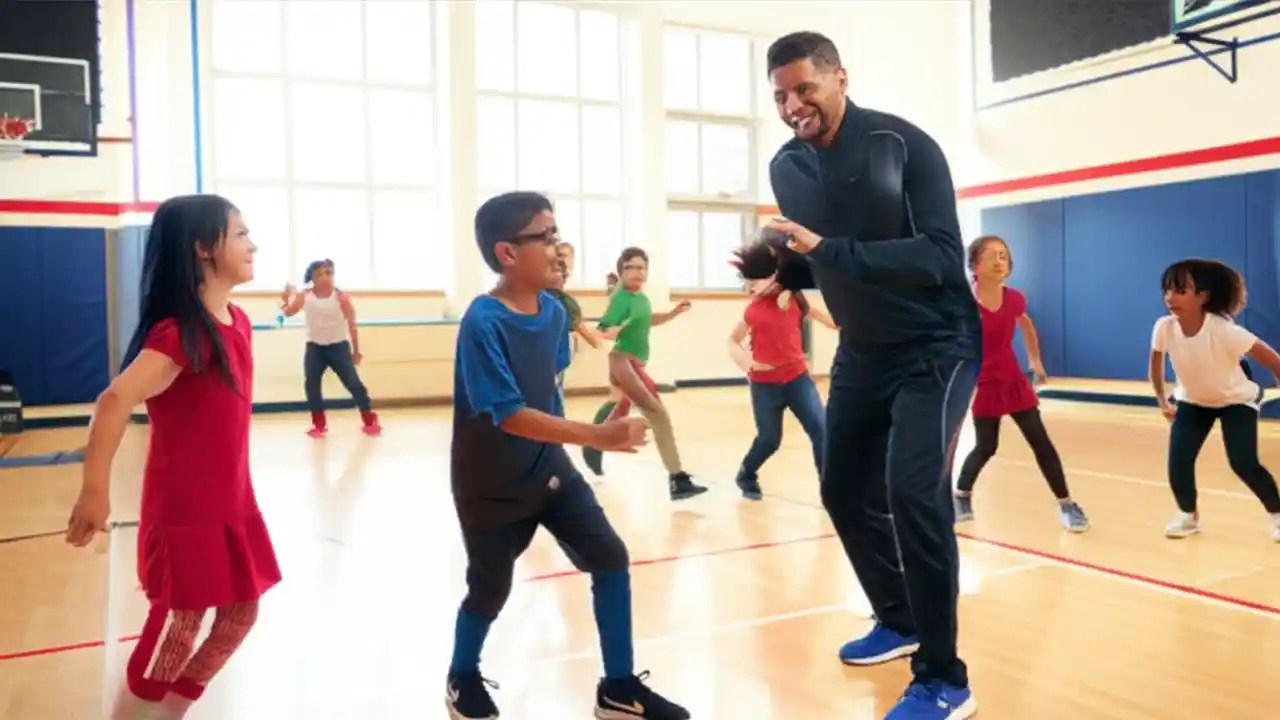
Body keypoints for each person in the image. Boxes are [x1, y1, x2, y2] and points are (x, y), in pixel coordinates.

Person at [763, 31, 981, 720]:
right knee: (844, 490)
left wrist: (824, 249)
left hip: (936, 344)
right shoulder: (786, 167)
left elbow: (943, 257)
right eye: (779, 96)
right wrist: (777, 268)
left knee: (913, 492)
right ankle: (900, 615)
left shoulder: (904, 146)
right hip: (863, 348)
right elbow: (817, 262)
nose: (793, 105)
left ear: (840, 79)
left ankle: (945, 678)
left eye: (805, 89)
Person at [445, 191, 689, 720]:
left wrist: (569, 444)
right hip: (490, 483)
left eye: (557, 235)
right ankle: (461, 675)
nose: (558, 248)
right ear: (508, 253)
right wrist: (597, 436)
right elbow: (508, 412)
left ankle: (618, 688)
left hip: (549, 471)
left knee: (609, 558)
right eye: (546, 236)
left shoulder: (554, 314)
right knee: (489, 588)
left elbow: (547, 391)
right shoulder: (482, 322)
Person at [64, 194, 281, 719]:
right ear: (204, 248)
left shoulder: (238, 322)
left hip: (231, 502)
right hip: (186, 510)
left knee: (238, 615)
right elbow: (114, 399)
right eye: (241, 234)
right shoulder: (181, 334)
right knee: (177, 626)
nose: (253, 244)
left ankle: (170, 712)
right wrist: (95, 492)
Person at [952, 236, 1089, 532]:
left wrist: (1034, 359)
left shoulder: (1014, 299)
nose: (1000, 261)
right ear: (975, 264)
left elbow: (1025, 324)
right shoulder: (963, 303)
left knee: (1041, 443)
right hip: (985, 383)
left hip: (1013, 380)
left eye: (1004, 255)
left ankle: (1067, 505)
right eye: (992, 255)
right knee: (986, 447)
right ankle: (961, 496)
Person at [1149, 258, 1280, 542]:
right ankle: (1187, 515)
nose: (1170, 298)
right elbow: (1156, 364)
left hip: (1236, 401)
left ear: (1203, 296)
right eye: (1167, 291)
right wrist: (1162, 400)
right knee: (1179, 460)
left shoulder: (1224, 331)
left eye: (1181, 291)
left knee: (1243, 462)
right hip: (1193, 402)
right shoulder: (1164, 327)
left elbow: (1274, 361)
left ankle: (1277, 515)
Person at [582, 248, 705, 501]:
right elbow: (604, 328)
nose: (637, 272)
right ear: (622, 272)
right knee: (658, 415)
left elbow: (646, 320)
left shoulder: (641, 299)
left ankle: (592, 445)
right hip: (624, 362)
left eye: (641, 268)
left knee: (617, 404)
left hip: (631, 362)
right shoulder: (622, 298)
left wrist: (673, 313)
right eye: (631, 267)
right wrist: (607, 331)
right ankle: (677, 479)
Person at [727, 235, 836, 499]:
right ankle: (746, 473)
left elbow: (811, 309)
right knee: (769, 440)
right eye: (748, 282)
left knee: (821, 431)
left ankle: (830, 487)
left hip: (797, 379)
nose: (751, 287)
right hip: (764, 386)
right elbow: (733, 340)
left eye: (755, 281)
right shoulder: (753, 310)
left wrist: (834, 323)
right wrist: (749, 363)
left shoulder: (793, 297)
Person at [280, 259, 381, 437]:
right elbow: (288, 312)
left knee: (353, 383)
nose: (326, 277)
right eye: (321, 274)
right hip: (315, 348)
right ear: (313, 279)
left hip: (338, 347)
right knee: (312, 385)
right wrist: (285, 299)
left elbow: (352, 326)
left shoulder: (342, 298)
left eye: (329, 273)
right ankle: (319, 425)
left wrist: (356, 351)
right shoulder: (305, 296)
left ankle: (369, 418)